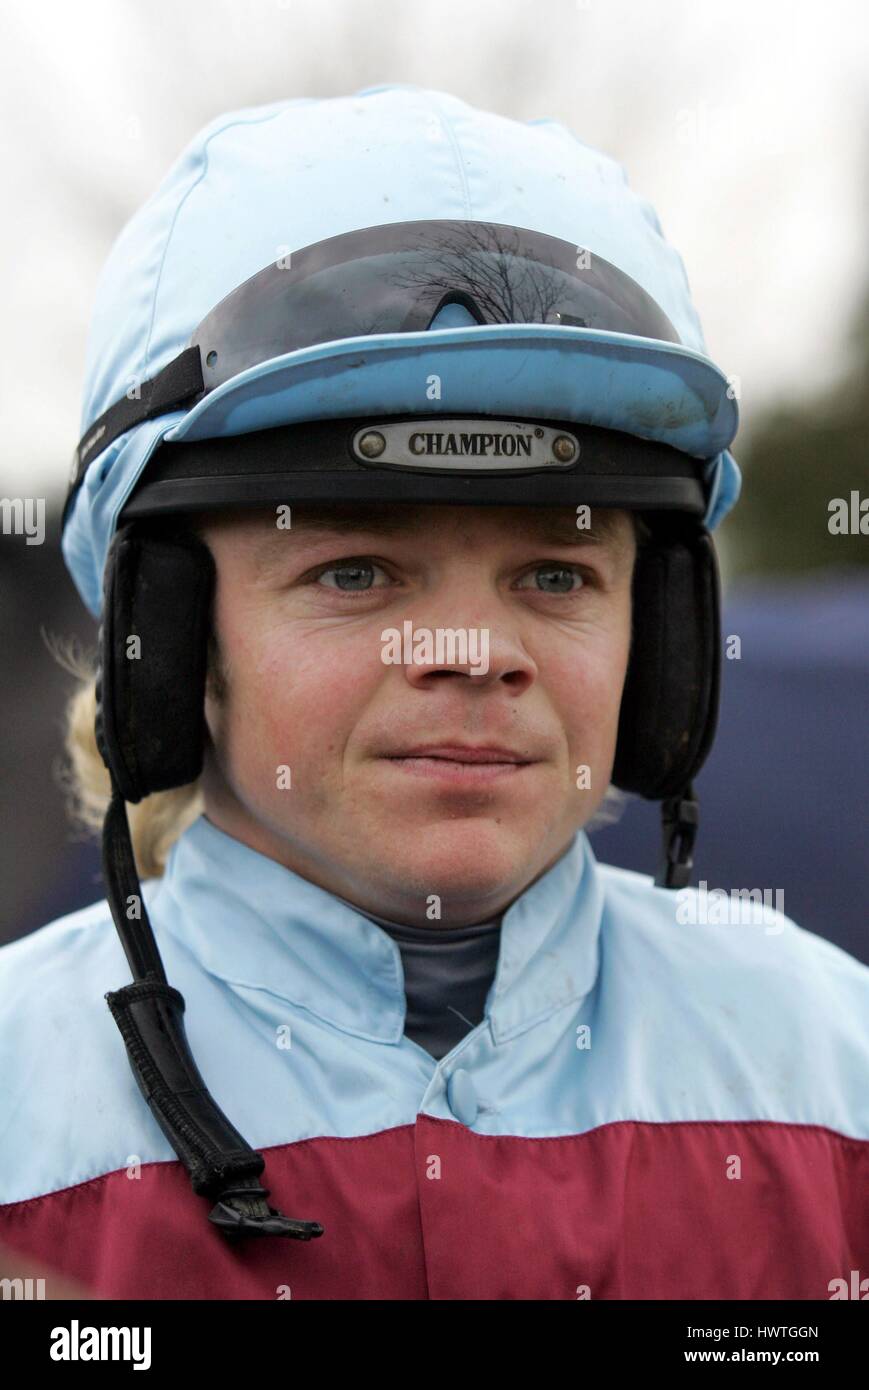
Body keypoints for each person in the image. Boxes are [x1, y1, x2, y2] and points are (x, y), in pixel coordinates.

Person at [1, 85, 866, 1301]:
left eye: (555, 572)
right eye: (353, 571)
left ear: (655, 635)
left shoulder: (837, 1069)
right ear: (172, 641)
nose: (473, 648)